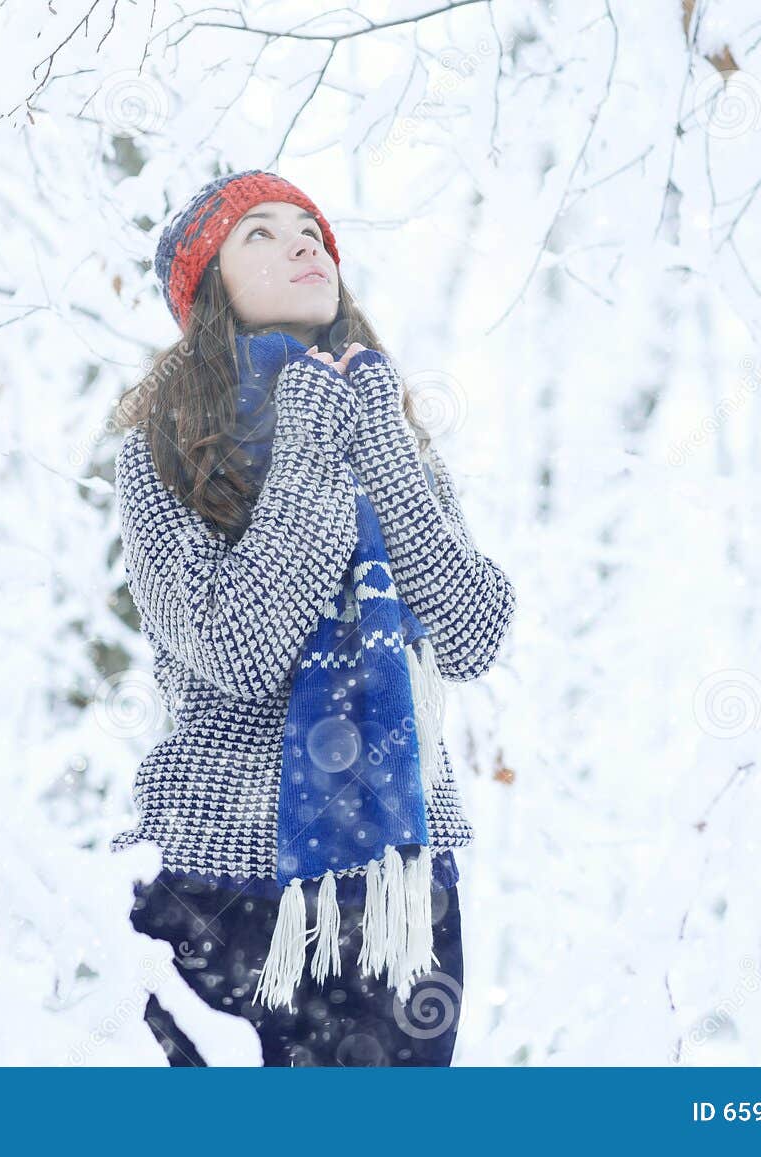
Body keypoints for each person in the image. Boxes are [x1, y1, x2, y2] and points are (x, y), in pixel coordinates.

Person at [109, 169, 516, 1066]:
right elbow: (239, 646)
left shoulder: (387, 429)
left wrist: (377, 445)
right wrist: (313, 444)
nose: (304, 244)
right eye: (259, 232)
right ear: (208, 285)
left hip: (400, 889)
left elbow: (473, 630)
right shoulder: (160, 450)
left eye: (310, 229)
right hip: (220, 882)